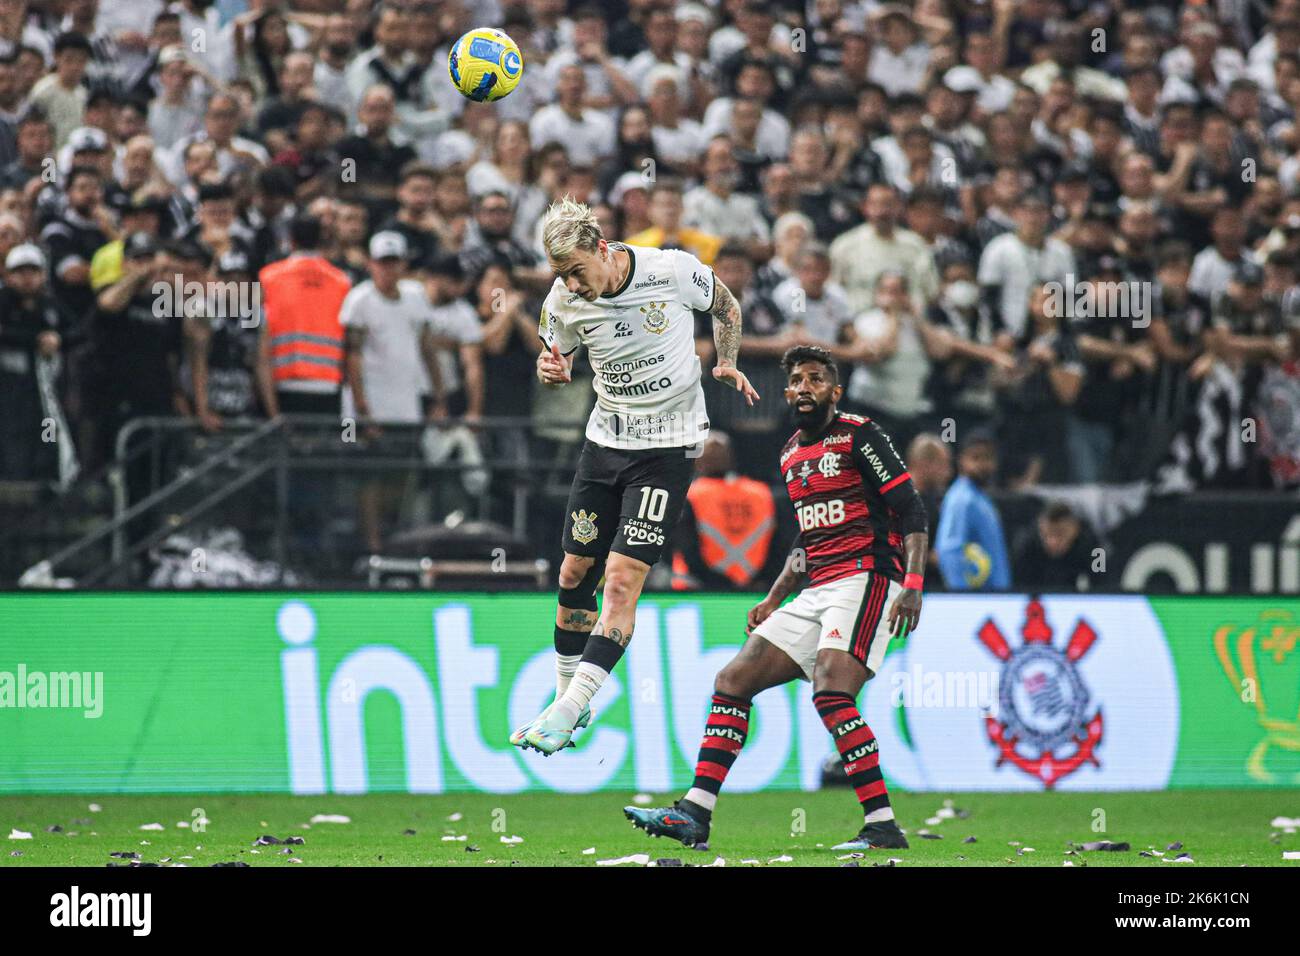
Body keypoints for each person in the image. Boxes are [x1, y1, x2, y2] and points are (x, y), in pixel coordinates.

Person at [626, 345, 928, 851]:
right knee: (733, 680)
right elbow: (805, 541)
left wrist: (914, 585)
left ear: (836, 391)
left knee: (831, 691)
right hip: (817, 587)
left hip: (866, 576)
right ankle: (694, 813)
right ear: (786, 392)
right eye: (796, 380)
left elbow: (911, 509)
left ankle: (882, 825)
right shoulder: (789, 454)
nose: (804, 387)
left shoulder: (861, 435)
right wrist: (773, 599)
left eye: (816, 379)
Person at [511, 196, 758, 755]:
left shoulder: (670, 270)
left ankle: (567, 709)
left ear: (602, 248)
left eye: (577, 270)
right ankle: (566, 704)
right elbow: (556, 359)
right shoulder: (561, 302)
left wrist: (726, 360)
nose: (571, 285)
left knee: (620, 581)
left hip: (666, 450)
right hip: (604, 444)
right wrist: (551, 369)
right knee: (575, 571)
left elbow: (727, 307)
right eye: (561, 276)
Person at [255, 214, 352, 417]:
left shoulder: (268, 277)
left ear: (290, 239)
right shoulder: (342, 281)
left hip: (283, 382)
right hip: (328, 384)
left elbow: (260, 338)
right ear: (321, 238)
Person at [670, 430, 779, 591]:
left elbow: (686, 548)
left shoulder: (690, 495)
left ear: (698, 461)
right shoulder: (761, 493)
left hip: (697, 590)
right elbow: (779, 544)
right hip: (754, 588)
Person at [934, 429, 1011, 591]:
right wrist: (962, 596)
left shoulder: (982, 498)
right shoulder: (962, 499)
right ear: (961, 460)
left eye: (988, 458)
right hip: (976, 600)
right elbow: (949, 550)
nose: (982, 465)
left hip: (996, 597)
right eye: (975, 458)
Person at [1011, 500, 1096, 591]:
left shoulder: (1094, 548)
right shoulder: (1025, 545)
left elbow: (1104, 585)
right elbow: (1017, 586)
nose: (1052, 542)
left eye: (1060, 534)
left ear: (1075, 529)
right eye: (1046, 534)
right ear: (1040, 527)